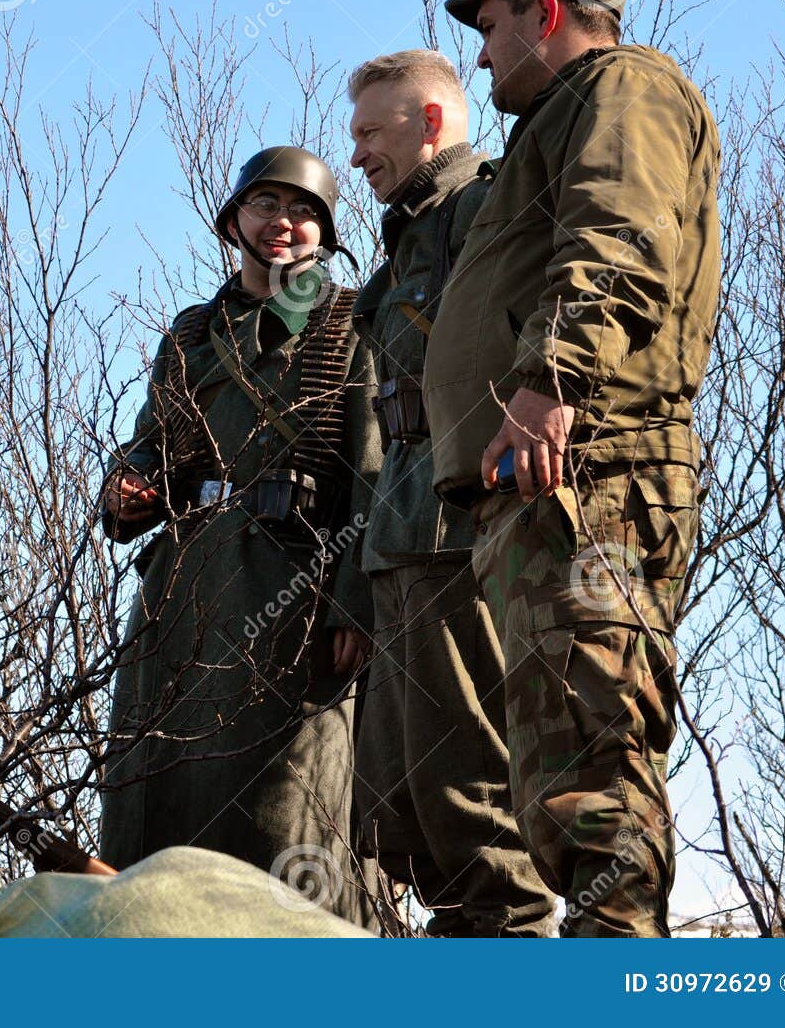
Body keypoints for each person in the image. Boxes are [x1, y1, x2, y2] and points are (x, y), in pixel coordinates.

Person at [424, 0, 721, 936]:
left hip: (589, 474)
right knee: (561, 774)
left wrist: (550, 377)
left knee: (593, 763)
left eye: (491, 23)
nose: (479, 50)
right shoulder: (552, 125)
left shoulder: (624, 89)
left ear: (543, 12)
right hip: (545, 487)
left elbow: (620, 234)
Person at [98, 146, 379, 923]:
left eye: (302, 210)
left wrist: (354, 599)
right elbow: (148, 442)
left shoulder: (352, 323)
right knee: (151, 817)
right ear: (234, 220)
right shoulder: (191, 335)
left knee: (286, 826)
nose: (282, 223)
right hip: (182, 596)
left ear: (325, 229)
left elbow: (374, 472)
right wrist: (126, 487)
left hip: (294, 597)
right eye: (265, 205)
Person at [328, 51, 554, 935]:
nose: (356, 158)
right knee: (391, 811)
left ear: (430, 123)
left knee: (476, 799)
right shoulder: (408, 236)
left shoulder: (484, 208)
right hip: (400, 538)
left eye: (371, 134)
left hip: (465, 535)